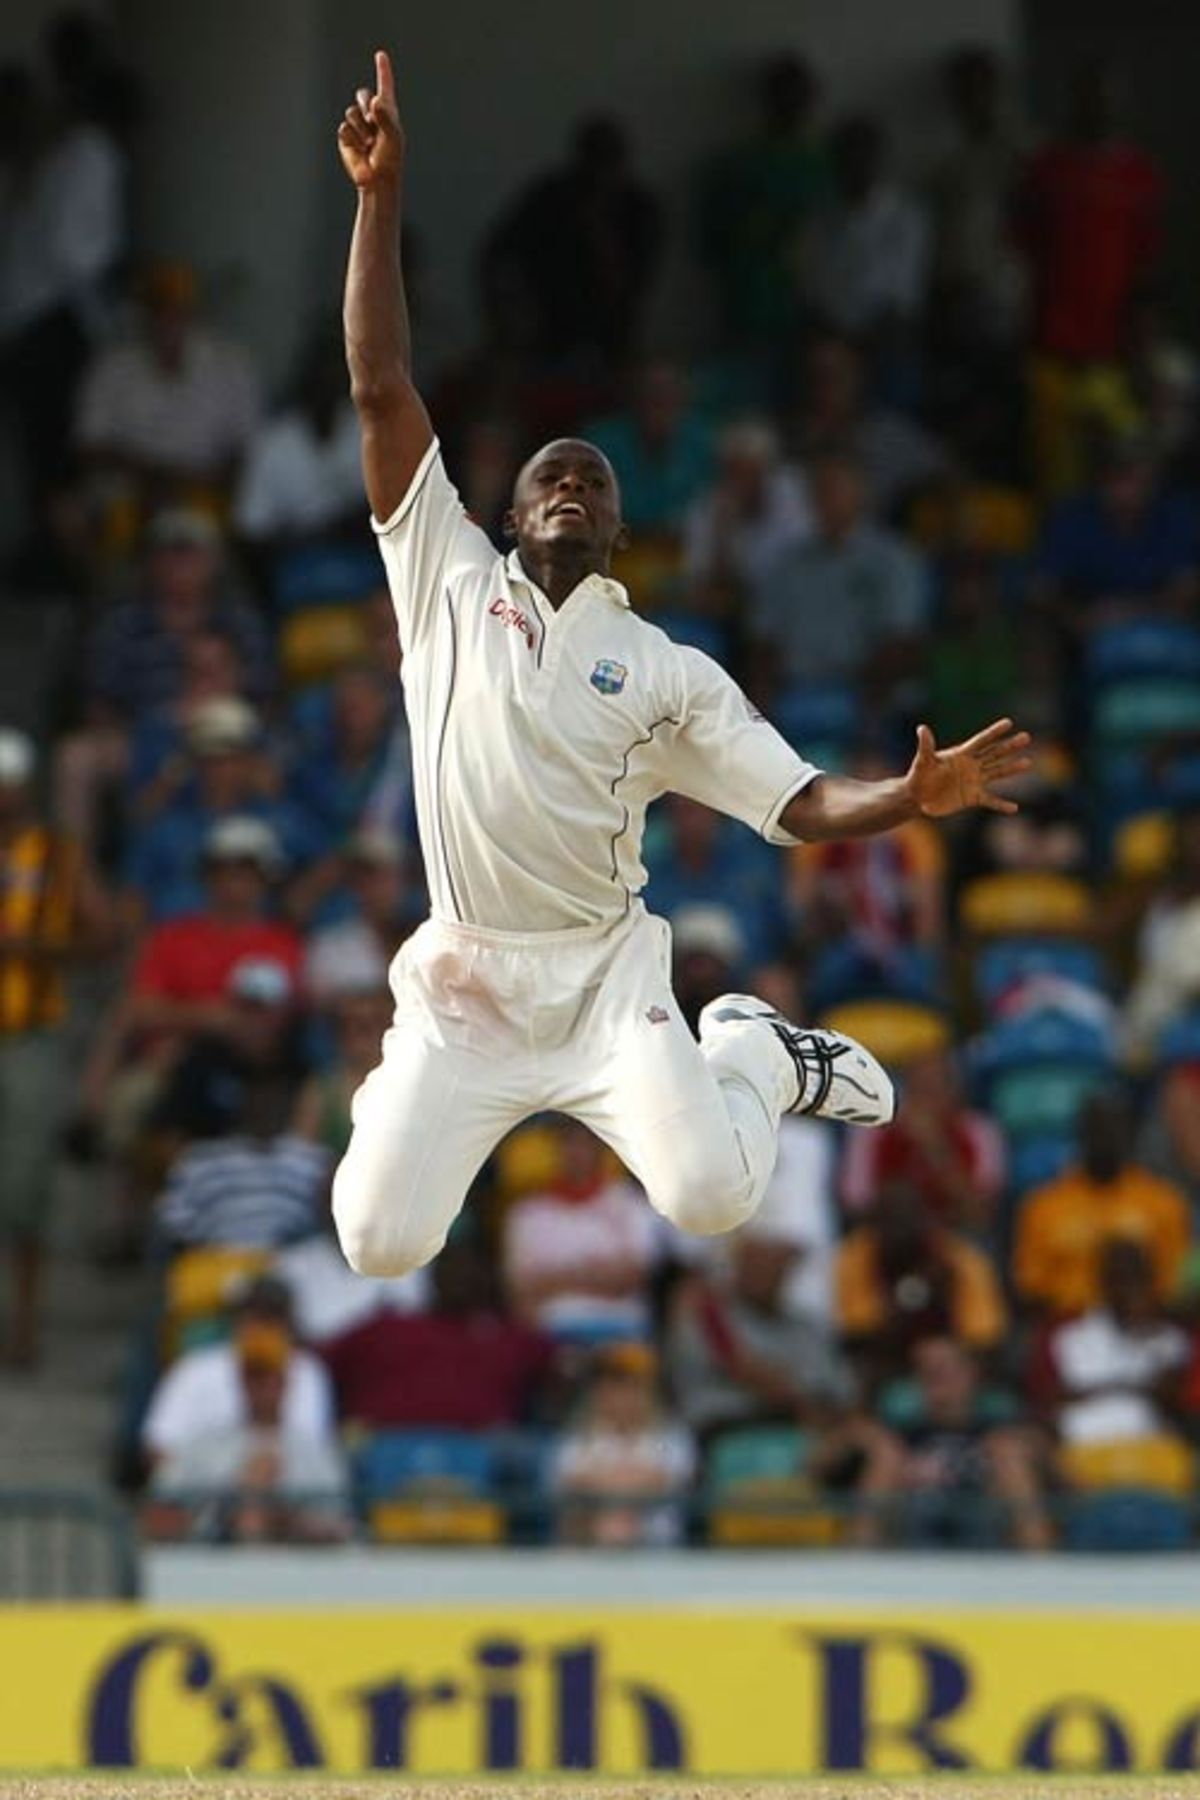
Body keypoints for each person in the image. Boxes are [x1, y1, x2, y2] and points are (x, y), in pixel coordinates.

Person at [329, 52, 1030, 1284]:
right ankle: (406, 1100)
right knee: (377, 1242)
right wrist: (379, 200)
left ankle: (756, 1052)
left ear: (619, 532)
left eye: (592, 478)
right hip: (463, 982)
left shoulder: (666, 671)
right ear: (500, 515)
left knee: (709, 1198)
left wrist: (908, 801)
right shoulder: (442, 575)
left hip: (604, 976)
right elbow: (381, 387)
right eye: (547, 470)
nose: (567, 482)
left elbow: (796, 804)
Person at [0, 728, 108, 1365]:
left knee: (27, 1187)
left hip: (30, 1037)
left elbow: (102, 934)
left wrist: (33, 952)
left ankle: (25, 1323)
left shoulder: (58, 857)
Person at [1014, 1091, 1191, 1318]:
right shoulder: (1043, 1205)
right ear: (1082, 1134)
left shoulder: (1163, 1202)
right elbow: (1030, 1289)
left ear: (1129, 1135)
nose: (1106, 1138)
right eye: (1097, 1128)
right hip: (1066, 1327)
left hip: (1142, 1327)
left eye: (1114, 1128)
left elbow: (1174, 1287)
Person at [502, 1117, 660, 1342]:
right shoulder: (526, 1214)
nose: (575, 1152)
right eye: (567, 1142)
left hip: (621, 1331)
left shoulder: (628, 1202)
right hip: (550, 1336)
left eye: (585, 1143)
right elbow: (521, 1291)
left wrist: (556, 1279)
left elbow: (634, 1276)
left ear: (600, 1148)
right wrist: (595, 1273)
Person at [553, 1342, 694, 1546]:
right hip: (587, 1549)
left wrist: (605, 1486)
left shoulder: (673, 1437)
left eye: (631, 1386)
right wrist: (629, 1485)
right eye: (614, 1386)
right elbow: (573, 1483)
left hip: (657, 1554)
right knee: (609, 1525)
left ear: (649, 1392)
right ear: (598, 1392)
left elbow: (662, 1481)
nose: (623, 1396)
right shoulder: (577, 1437)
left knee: (617, 1523)